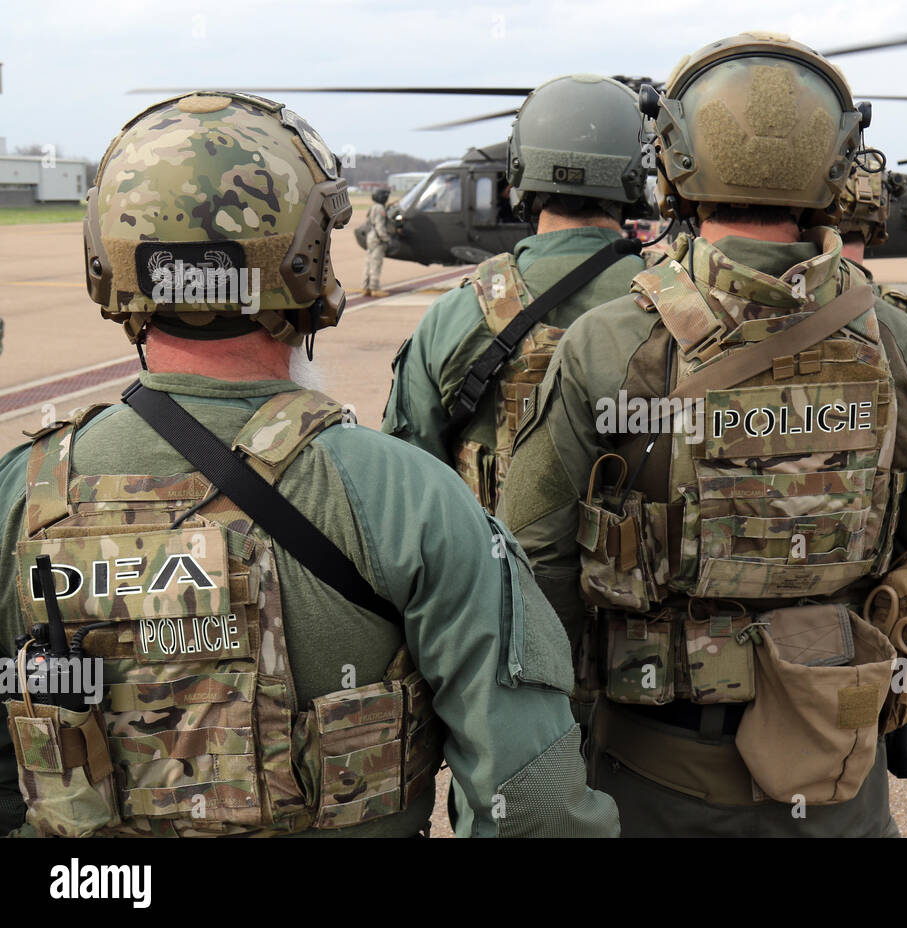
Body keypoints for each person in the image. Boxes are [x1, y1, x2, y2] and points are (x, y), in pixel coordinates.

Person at [0, 92, 617, 839]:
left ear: (109, 263)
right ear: (309, 265)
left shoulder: (19, 496)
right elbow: (538, 811)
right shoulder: (411, 499)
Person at [499, 33, 907, 837]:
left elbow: (532, 565)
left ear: (676, 163)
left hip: (648, 783)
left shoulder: (611, 344)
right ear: (834, 166)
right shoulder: (902, 343)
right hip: (837, 784)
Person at [382, 73, 650, 515]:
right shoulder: (683, 308)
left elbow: (408, 490)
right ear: (635, 182)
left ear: (521, 178)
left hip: (497, 579)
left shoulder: (455, 315)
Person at [362, 186, 391, 297]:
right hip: (377, 239)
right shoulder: (380, 208)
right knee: (376, 264)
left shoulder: (373, 207)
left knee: (368, 263)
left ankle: (365, 288)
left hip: (370, 237)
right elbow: (380, 226)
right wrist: (386, 239)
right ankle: (375, 289)